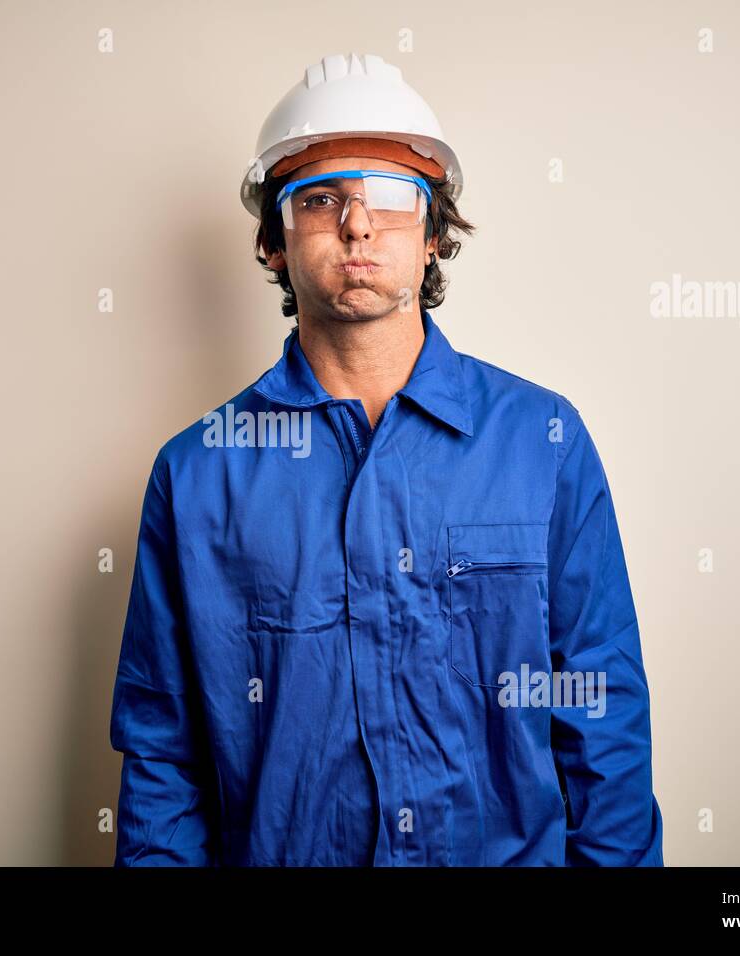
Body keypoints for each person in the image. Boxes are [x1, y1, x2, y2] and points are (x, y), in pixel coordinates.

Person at [108, 52, 664, 866]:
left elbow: (603, 717)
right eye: (321, 197)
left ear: (434, 234)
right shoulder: (197, 476)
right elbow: (164, 755)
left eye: (393, 196)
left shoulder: (543, 441)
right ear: (274, 242)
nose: (357, 224)